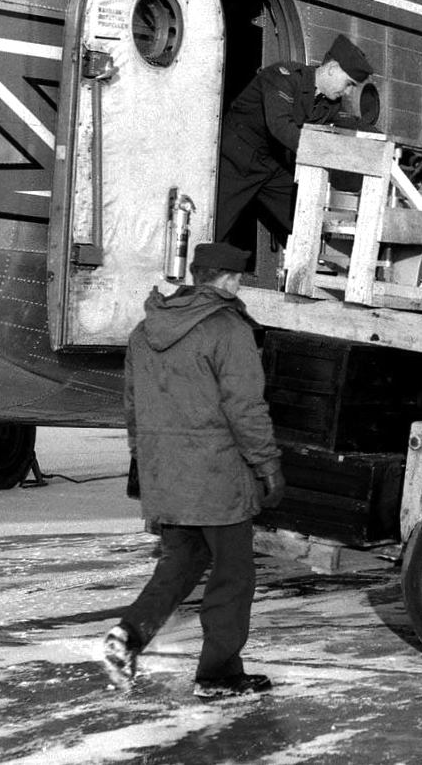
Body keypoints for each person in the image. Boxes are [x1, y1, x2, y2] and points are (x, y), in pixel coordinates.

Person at [102, 241, 286, 700]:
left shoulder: (145, 330)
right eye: (238, 279)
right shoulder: (228, 329)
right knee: (233, 577)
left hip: (167, 474)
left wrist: (143, 463)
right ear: (228, 280)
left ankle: (128, 635)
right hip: (217, 477)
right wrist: (267, 465)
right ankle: (219, 675)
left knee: (180, 565)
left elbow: (132, 408)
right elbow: (245, 408)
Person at [215, 34, 376, 242]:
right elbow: (280, 126)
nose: (348, 92)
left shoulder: (329, 103)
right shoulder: (283, 77)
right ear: (332, 68)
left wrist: (387, 142)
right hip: (236, 161)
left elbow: (352, 123)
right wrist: (324, 153)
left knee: (306, 221)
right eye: (348, 84)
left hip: (272, 165)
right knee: (213, 227)